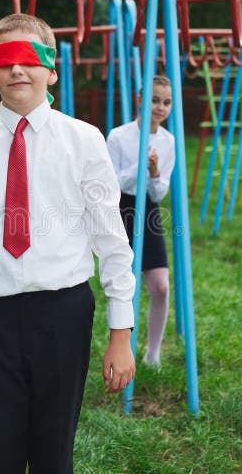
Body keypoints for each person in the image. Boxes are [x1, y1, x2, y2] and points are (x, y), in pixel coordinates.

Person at [0, 13, 136, 473]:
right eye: (4, 59)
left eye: (29, 58)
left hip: (61, 313)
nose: (17, 70)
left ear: (52, 70)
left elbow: (111, 239)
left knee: (54, 453)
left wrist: (120, 334)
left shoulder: (84, 140)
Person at [106, 75, 175, 368]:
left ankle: (153, 352)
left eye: (166, 102)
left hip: (148, 211)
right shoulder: (119, 136)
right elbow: (112, 182)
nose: (160, 107)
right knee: (124, 284)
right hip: (121, 209)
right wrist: (140, 166)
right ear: (140, 101)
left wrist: (156, 171)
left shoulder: (169, 141)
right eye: (154, 100)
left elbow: (159, 192)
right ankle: (120, 348)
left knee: (160, 286)